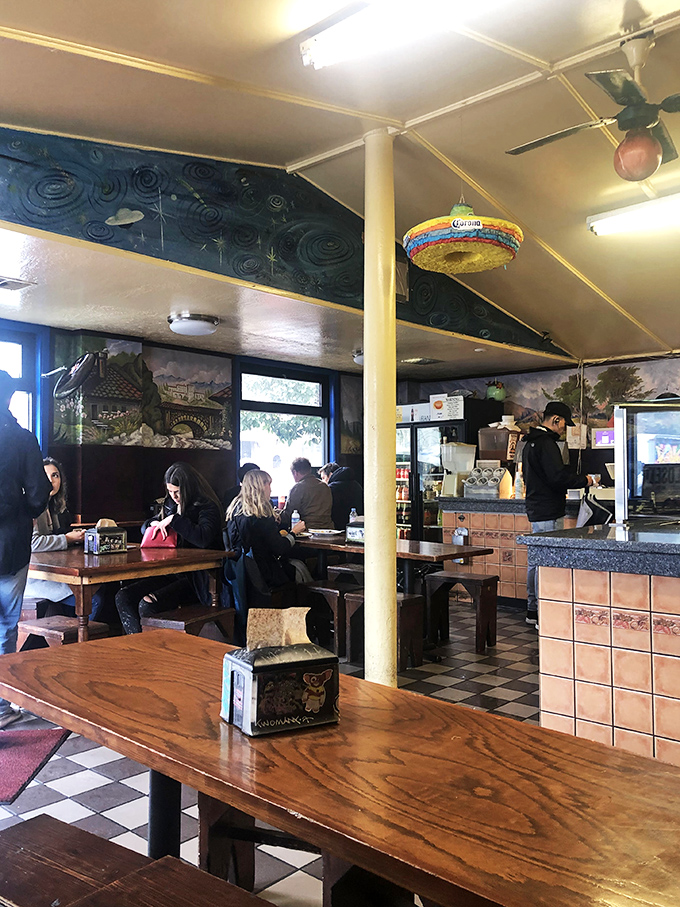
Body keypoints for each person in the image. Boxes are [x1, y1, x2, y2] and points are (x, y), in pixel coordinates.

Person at [115, 462, 223, 634]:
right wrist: (153, 524)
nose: (174, 497)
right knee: (123, 597)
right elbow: (146, 527)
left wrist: (174, 520)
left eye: (177, 492)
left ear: (187, 488)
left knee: (147, 604)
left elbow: (203, 538)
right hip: (171, 572)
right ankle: (139, 649)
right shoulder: (170, 504)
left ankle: (153, 653)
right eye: (170, 492)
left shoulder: (207, 506)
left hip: (198, 578)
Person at [0, 370, 51, 728]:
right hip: (9, 544)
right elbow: (38, 495)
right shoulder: (21, 439)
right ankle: (2, 705)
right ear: (10, 397)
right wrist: (22, 508)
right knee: (5, 624)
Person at [522, 402, 592, 628]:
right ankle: (541, 611)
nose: (564, 429)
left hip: (536, 507)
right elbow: (558, 477)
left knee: (536, 561)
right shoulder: (546, 444)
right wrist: (586, 480)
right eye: (563, 424)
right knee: (545, 561)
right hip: (548, 510)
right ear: (555, 420)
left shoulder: (530, 443)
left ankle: (533, 610)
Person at [224, 469, 308, 643]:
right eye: (269, 484)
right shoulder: (261, 515)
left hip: (238, 573)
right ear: (261, 487)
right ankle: (300, 632)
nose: (270, 488)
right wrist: (293, 532)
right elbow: (279, 548)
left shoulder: (234, 510)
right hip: (263, 574)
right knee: (301, 572)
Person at [281, 457, 332, 530]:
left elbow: (288, 515)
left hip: (307, 531)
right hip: (328, 529)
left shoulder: (297, 488)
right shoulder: (325, 486)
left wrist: (277, 514)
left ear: (295, 472)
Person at [322, 463, 363, 530]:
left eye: (323, 478)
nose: (322, 481)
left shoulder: (331, 488)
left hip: (336, 526)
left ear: (330, 475)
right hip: (355, 526)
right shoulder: (357, 485)